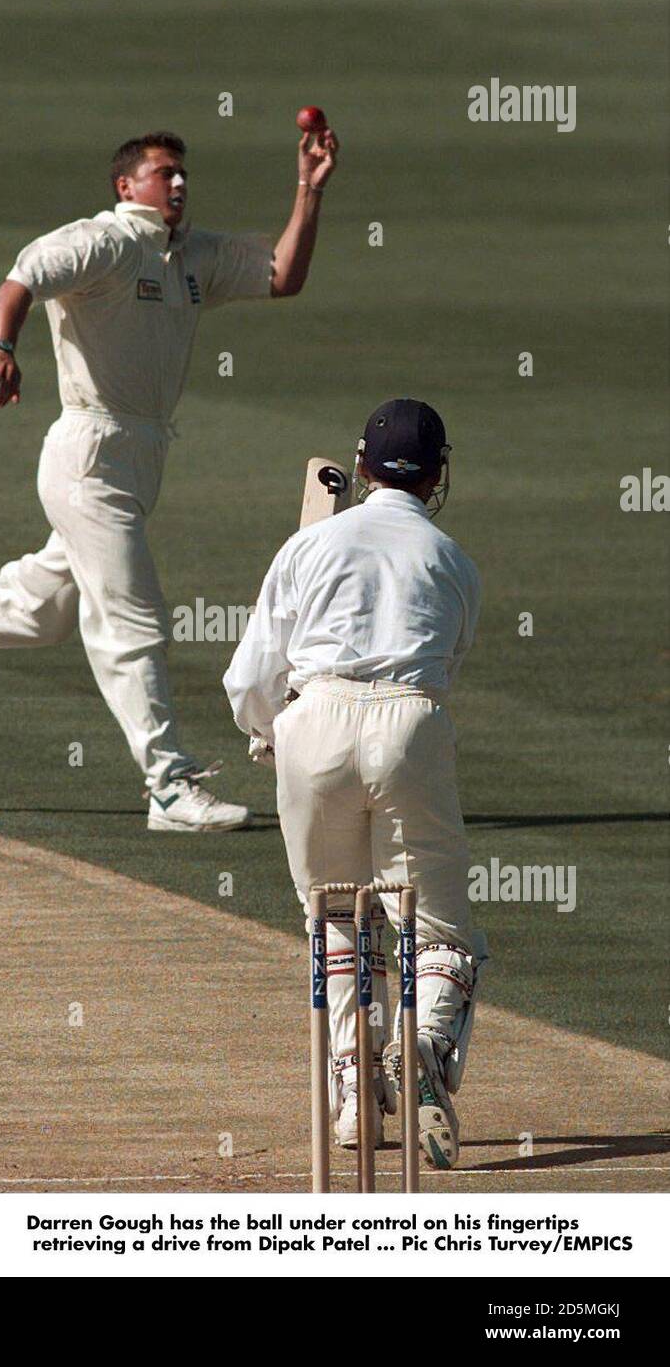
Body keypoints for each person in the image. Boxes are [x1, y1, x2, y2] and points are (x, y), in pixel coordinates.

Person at [0, 126, 339, 832]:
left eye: (182, 175)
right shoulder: (104, 242)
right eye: (163, 173)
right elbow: (21, 279)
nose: (177, 184)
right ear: (126, 186)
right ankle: (168, 787)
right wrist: (2, 347)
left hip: (140, 459)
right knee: (132, 622)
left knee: (42, 608)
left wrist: (309, 190)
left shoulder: (192, 254)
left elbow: (281, 275)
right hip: (89, 452)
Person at [223, 398, 488, 1168]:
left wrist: (270, 734)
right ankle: (426, 1047)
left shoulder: (307, 547)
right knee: (439, 934)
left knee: (334, 915)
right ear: (437, 475)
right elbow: (445, 668)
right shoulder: (454, 561)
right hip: (412, 719)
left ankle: (352, 1097)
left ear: (363, 468)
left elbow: (249, 677)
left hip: (314, 721)